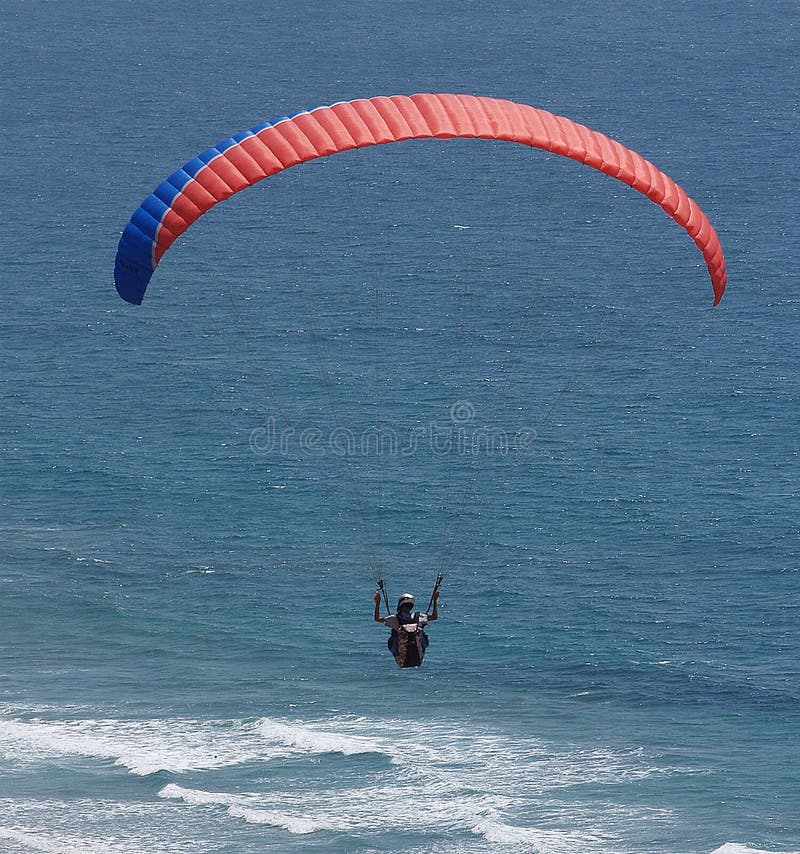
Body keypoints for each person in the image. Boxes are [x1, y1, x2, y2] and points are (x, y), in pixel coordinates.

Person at [373, 590, 439, 668]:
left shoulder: (395, 619)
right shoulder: (418, 617)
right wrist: (435, 601)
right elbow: (434, 616)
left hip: (402, 660)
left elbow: (377, 619)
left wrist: (377, 603)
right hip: (418, 659)